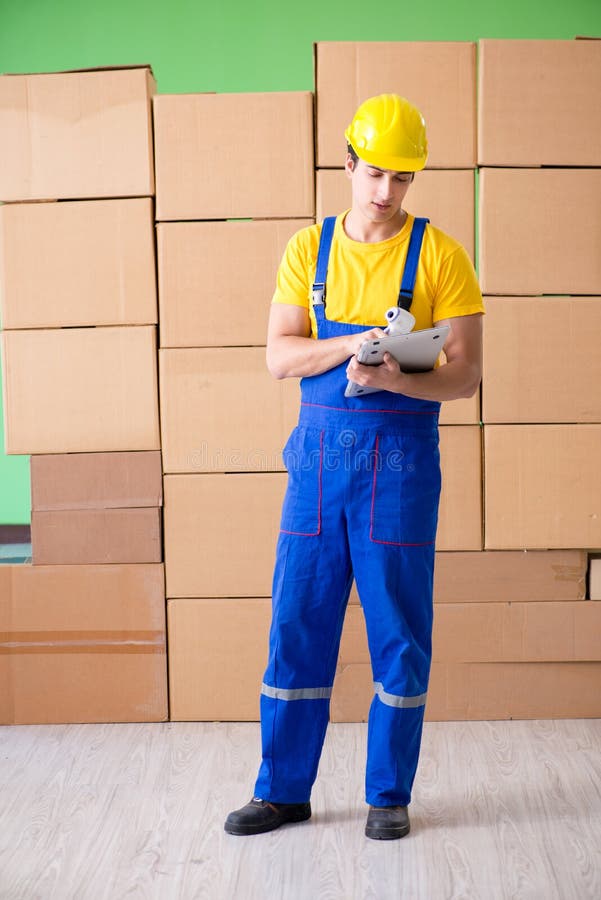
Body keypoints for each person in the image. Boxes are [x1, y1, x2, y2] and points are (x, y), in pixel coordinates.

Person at [225, 94, 484, 840]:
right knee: (296, 622)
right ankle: (281, 792)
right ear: (346, 162)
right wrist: (351, 346)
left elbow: (464, 374)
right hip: (316, 468)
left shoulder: (440, 255)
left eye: (402, 178)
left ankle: (388, 795)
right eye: (374, 172)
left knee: (398, 631)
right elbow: (279, 357)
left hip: (398, 471)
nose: (385, 192)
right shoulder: (308, 250)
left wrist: (395, 377)